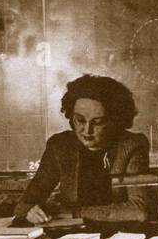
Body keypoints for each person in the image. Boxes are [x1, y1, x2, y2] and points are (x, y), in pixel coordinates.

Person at [14, 74, 150, 224]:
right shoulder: (60, 146)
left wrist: (75, 212)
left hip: (122, 234)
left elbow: (138, 210)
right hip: (70, 234)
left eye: (97, 122)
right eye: (80, 120)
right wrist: (32, 211)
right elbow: (23, 206)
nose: (87, 130)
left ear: (114, 120)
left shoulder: (132, 145)